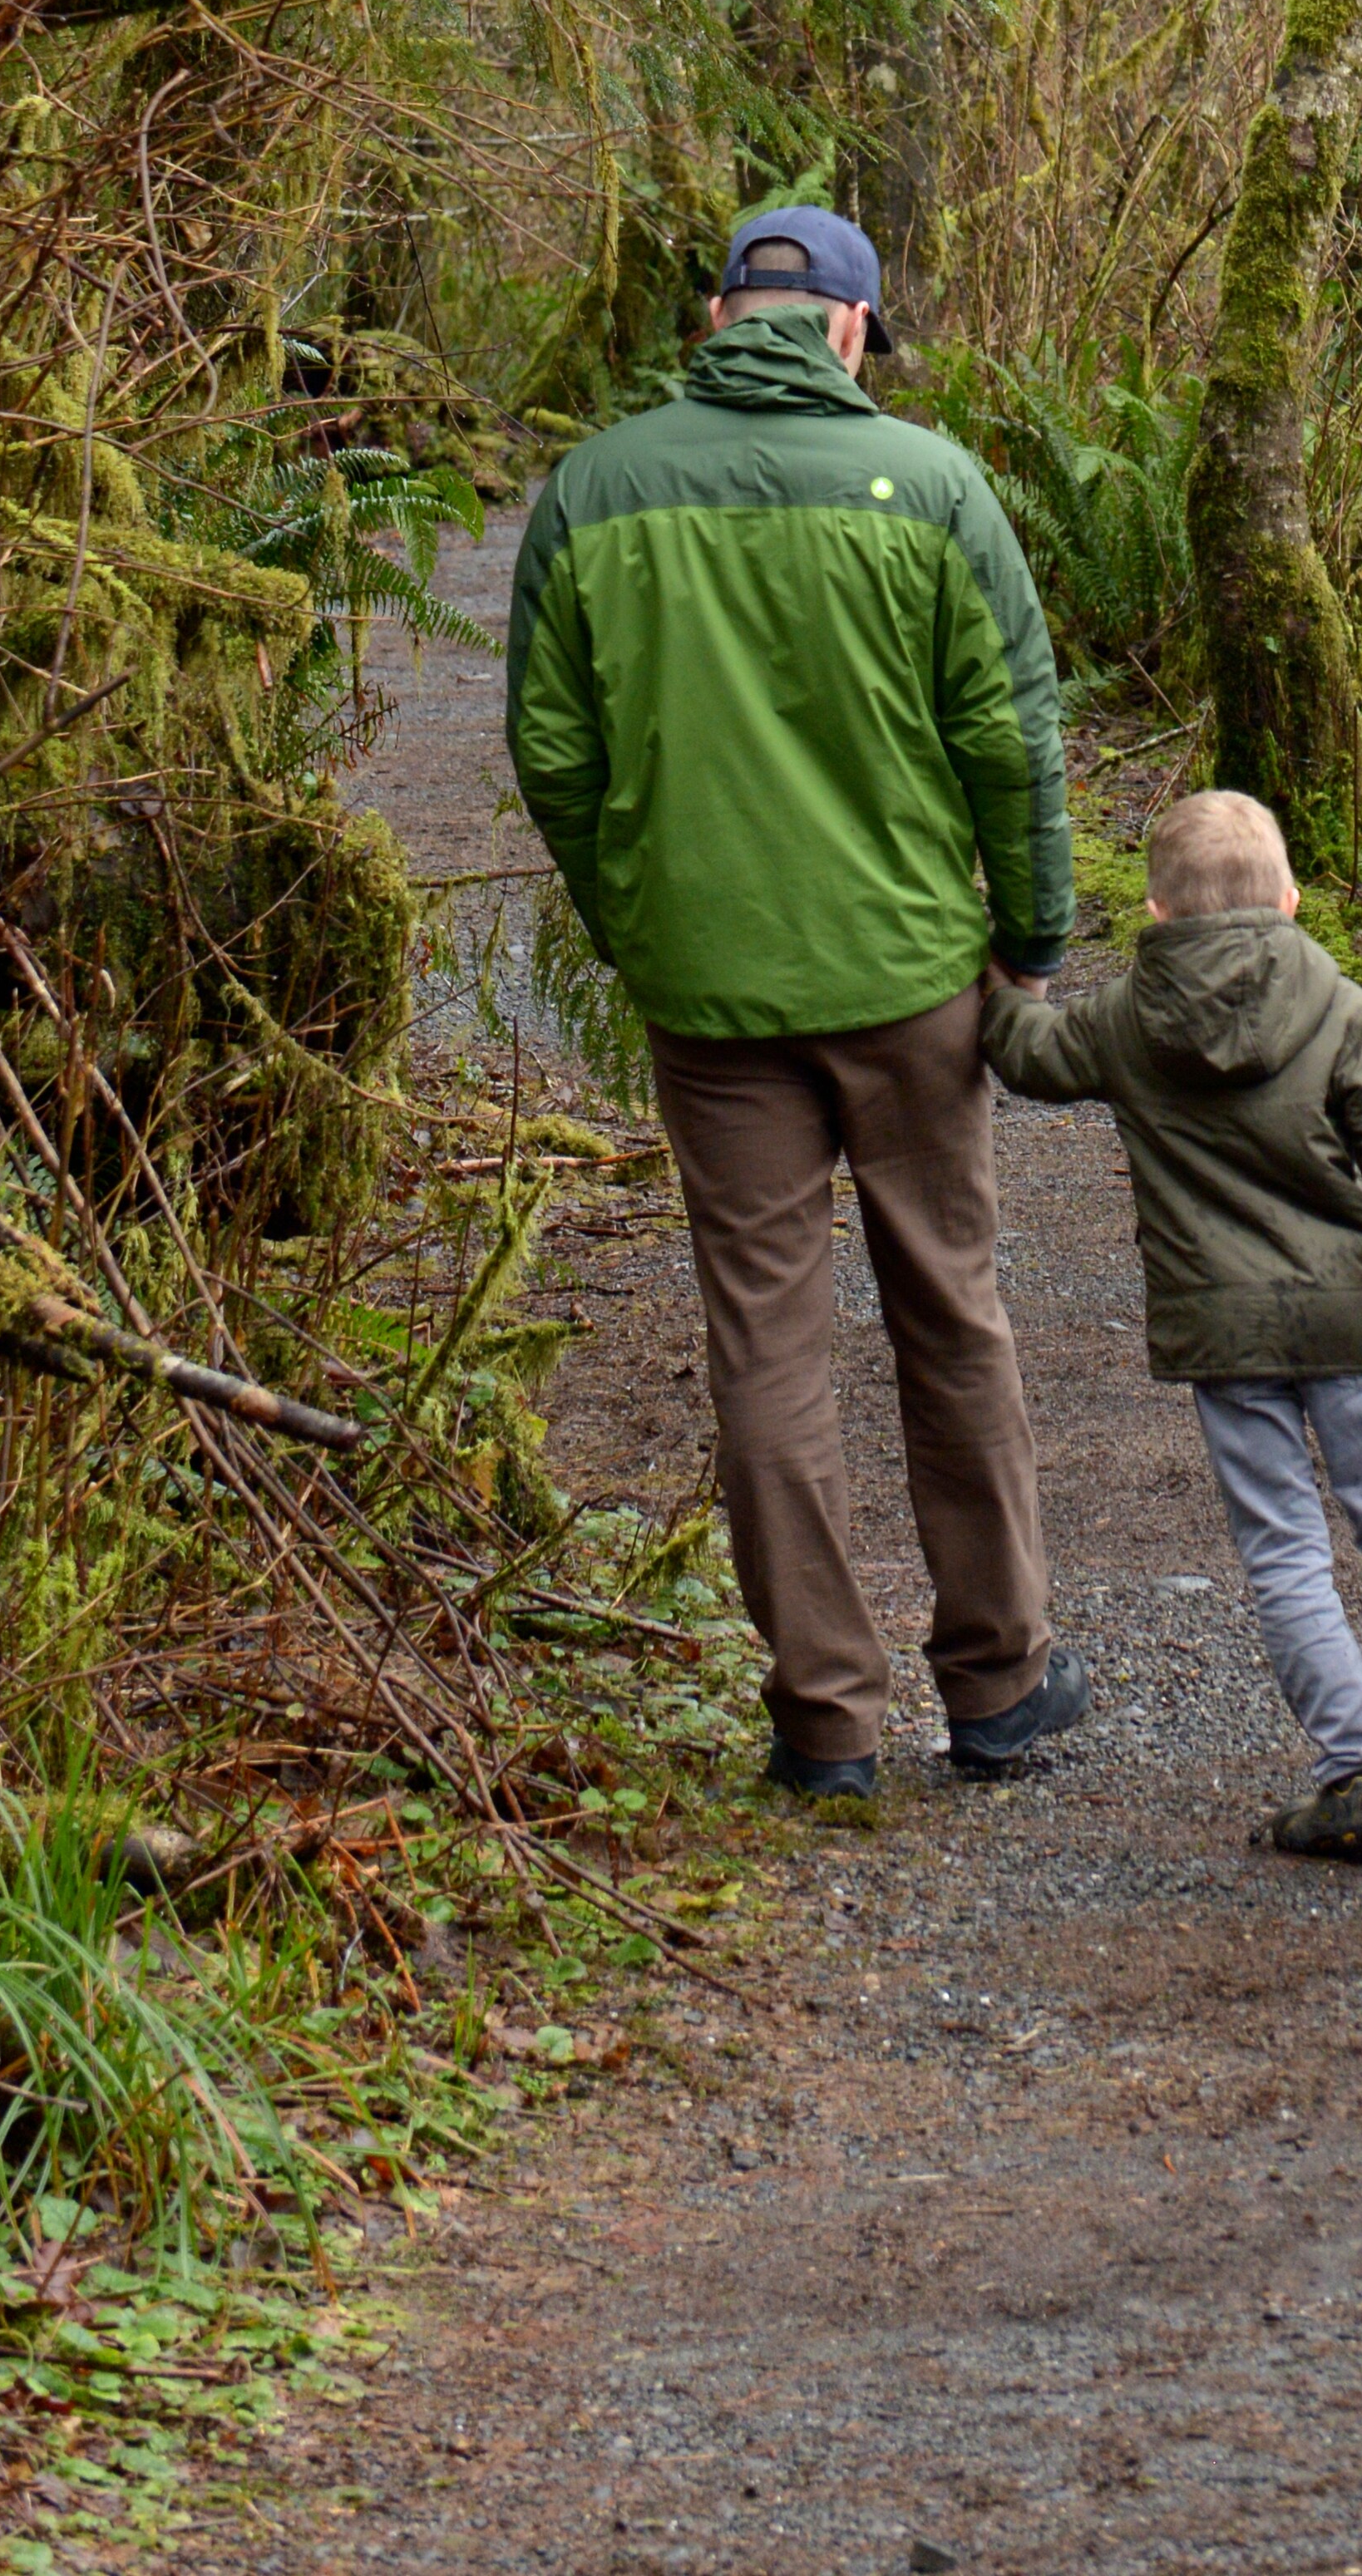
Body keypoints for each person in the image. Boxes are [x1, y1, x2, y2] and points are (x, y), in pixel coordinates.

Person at [506, 202, 1090, 1805]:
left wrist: (641, 920)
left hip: (712, 997)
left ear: (721, 317)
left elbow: (554, 755)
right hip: (911, 980)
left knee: (764, 1335)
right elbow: (1010, 736)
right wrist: (1030, 941)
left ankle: (825, 1715)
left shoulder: (594, 489)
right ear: (849, 326)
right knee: (949, 1310)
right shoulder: (934, 486)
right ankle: (996, 1681)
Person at [980, 785, 1362, 1864]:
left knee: (1285, 1552)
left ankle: (1353, 1769)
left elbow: (1028, 1051)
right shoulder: (1347, 1011)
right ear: (1293, 901)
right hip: (1349, 1319)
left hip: (1227, 1339)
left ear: (1156, 916)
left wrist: (990, 972)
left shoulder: (1124, 1018)